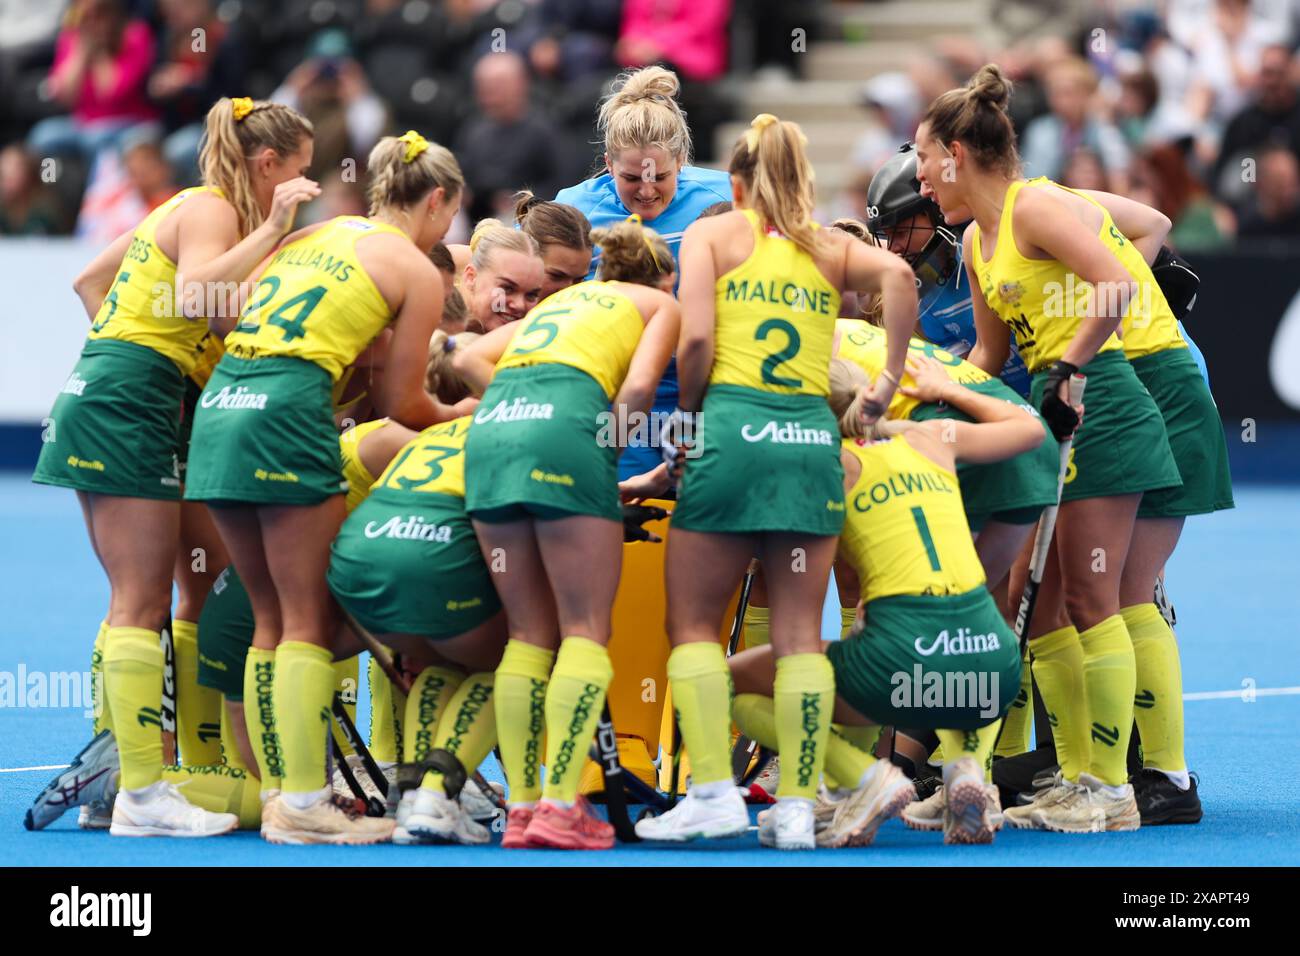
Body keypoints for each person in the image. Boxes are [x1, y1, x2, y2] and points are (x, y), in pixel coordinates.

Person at [31, 95, 317, 838]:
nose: (301, 187)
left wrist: (145, 359)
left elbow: (91, 282)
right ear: (268, 166)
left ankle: (131, 777)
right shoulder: (219, 210)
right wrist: (281, 228)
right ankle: (142, 795)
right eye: (299, 174)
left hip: (120, 389)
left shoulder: (186, 208)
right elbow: (196, 293)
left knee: (156, 591)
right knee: (140, 600)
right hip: (128, 398)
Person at [632, 113, 917, 850]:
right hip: (806, 445)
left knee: (692, 625)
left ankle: (712, 795)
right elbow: (899, 274)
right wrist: (882, 385)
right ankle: (794, 806)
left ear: (735, 183)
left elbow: (695, 338)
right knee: (797, 634)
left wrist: (691, 414)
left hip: (732, 435)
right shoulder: (825, 247)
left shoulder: (712, 234)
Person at [915, 65, 1183, 833]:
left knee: (1095, 596)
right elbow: (988, 357)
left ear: (959, 153)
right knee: (1052, 605)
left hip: (1103, 402)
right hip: (1051, 406)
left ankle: (1112, 789)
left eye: (927, 157)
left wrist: (1067, 364)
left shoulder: (1038, 204)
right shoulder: (975, 240)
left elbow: (1115, 284)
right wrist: (919, 380)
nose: (922, 176)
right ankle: (1073, 777)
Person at [184, 130, 466, 844]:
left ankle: (285, 794)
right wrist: (463, 413)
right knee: (304, 620)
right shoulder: (418, 270)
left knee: (268, 620)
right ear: (438, 200)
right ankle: (307, 806)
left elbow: (226, 312)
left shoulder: (318, 231)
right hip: (286, 411)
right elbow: (406, 403)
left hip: (222, 407)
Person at [726, 354, 1046, 847]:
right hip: (994, 668)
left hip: (898, 664)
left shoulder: (825, 470)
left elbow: (798, 607)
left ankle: (862, 776)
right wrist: (951, 390)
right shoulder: (929, 435)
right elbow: (1029, 431)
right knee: (896, 647)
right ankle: (965, 771)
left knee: (740, 681)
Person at [452, 216, 680, 849]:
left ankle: (523, 809)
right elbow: (637, 391)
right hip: (568, 434)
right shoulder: (659, 302)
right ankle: (560, 803)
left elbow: (467, 356)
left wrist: (526, 412)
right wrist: (592, 459)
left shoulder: (567, 302)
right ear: (662, 276)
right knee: (584, 628)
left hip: (495, 435)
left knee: (527, 634)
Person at [554, 65, 732, 480]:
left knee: (693, 506)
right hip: (615, 390)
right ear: (607, 164)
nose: (647, 191)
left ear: (682, 161)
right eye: (630, 178)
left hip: (702, 388)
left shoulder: (725, 195)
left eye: (662, 177)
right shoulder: (573, 207)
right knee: (623, 507)